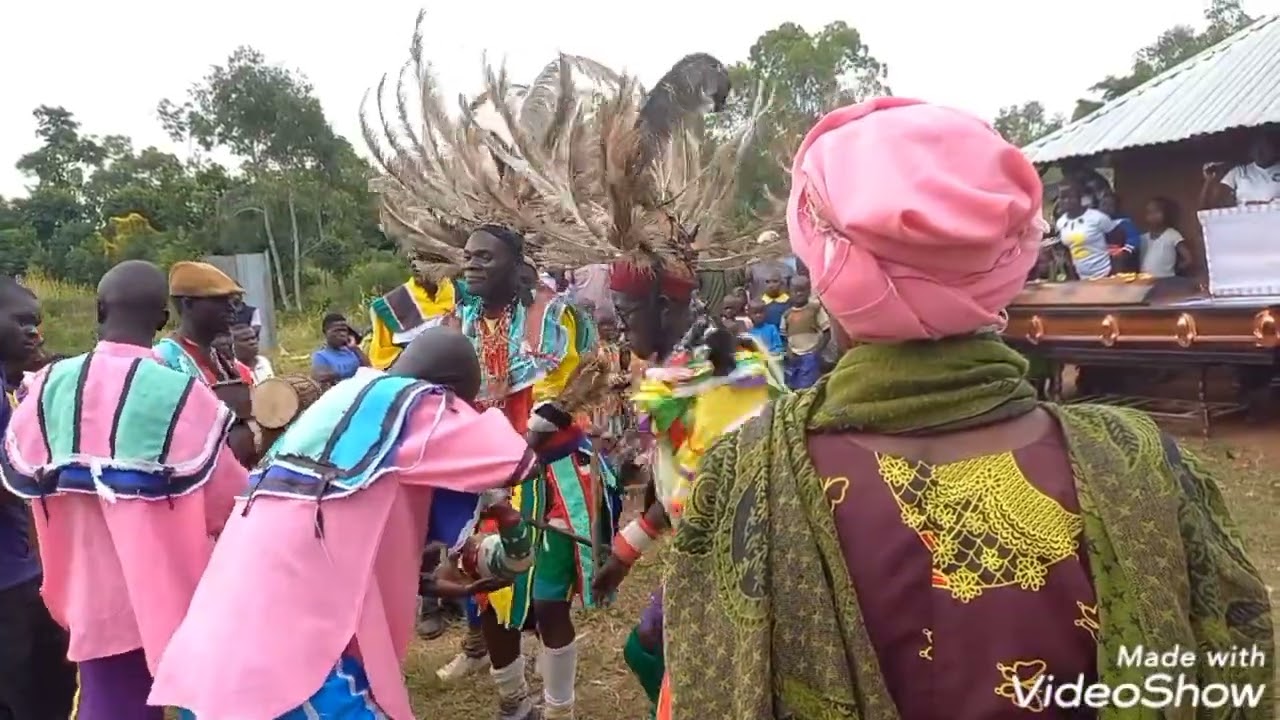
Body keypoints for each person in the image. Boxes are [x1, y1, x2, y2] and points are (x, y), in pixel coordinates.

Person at [659, 97, 1274, 719]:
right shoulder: (1143, 465)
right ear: (1007, 261)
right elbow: (1230, 665)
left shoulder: (747, 475)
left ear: (825, 270)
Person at [149, 327, 544, 719]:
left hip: (215, 639)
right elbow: (519, 461)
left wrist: (418, 577)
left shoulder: (340, 399)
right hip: (283, 664)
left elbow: (349, 516)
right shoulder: (418, 402)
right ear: (449, 391)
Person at [2, 261, 248, 720]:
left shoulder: (47, 388)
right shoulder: (181, 395)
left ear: (99, 309)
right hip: (172, 592)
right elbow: (228, 502)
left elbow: (21, 480)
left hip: (86, 595)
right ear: (161, 319)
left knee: (109, 702)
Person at [0, 278, 78, 720]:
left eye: (36, 323)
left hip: (24, 570)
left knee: (47, 687)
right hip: (8, 583)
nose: (34, 332)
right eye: (21, 321)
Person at [1053, 184, 1121, 280]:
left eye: (1071, 197)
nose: (1066, 201)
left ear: (1080, 198)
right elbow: (1067, 250)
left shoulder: (1098, 217)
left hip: (1105, 274)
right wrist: (1073, 275)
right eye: (1063, 197)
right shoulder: (1061, 222)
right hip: (1081, 277)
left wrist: (1114, 273)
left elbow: (1117, 241)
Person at [1200, 132, 1280, 208]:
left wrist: (1270, 204)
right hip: (1244, 219)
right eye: (1256, 148)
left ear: (1274, 148)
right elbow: (1214, 203)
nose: (1260, 152)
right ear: (1250, 151)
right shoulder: (1239, 171)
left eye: (1264, 147)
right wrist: (1209, 181)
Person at [780, 275, 828, 389]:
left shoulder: (815, 309)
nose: (799, 294)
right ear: (789, 292)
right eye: (795, 290)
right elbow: (783, 336)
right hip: (794, 355)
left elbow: (827, 331)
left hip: (810, 355)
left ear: (809, 290)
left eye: (803, 290)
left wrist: (817, 350)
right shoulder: (787, 315)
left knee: (808, 385)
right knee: (793, 385)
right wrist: (788, 351)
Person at [1140, 197, 1193, 278]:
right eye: (1149, 212)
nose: (1153, 216)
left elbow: (1188, 259)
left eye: (1157, 211)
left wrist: (1176, 270)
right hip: (1145, 281)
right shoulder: (1142, 238)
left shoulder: (1172, 234)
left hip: (1166, 279)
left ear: (1166, 213)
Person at [311, 313, 368, 384]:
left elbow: (369, 368)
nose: (342, 334)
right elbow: (320, 377)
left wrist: (355, 348)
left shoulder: (351, 351)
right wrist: (349, 371)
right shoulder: (321, 356)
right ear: (325, 332)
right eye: (337, 330)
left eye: (344, 330)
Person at [1097, 192, 1140, 273]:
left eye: (1111, 205)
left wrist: (1125, 252)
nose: (1106, 208)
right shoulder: (1094, 223)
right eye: (1104, 204)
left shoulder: (1124, 223)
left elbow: (1134, 239)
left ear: (1117, 207)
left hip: (1119, 261)